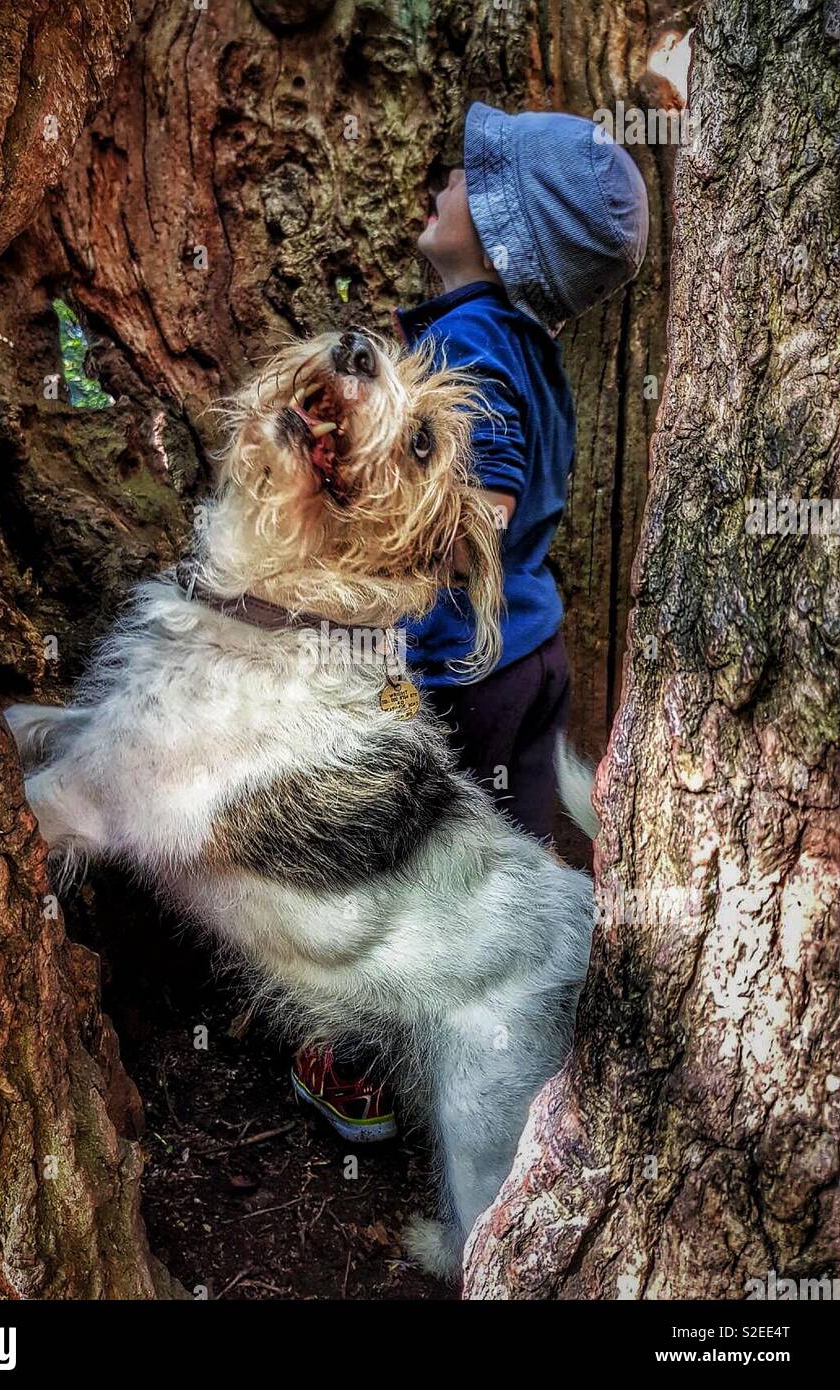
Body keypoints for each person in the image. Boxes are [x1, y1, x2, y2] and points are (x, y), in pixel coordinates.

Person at [291, 103, 648, 1141]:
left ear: (496, 222)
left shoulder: (474, 352)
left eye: (467, 173)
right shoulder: (522, 349)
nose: (443, 179)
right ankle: (518, 1042)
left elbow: (474, 517)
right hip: (527, 659)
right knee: (508, 860)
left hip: (450, 673)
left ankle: (355, 1068)